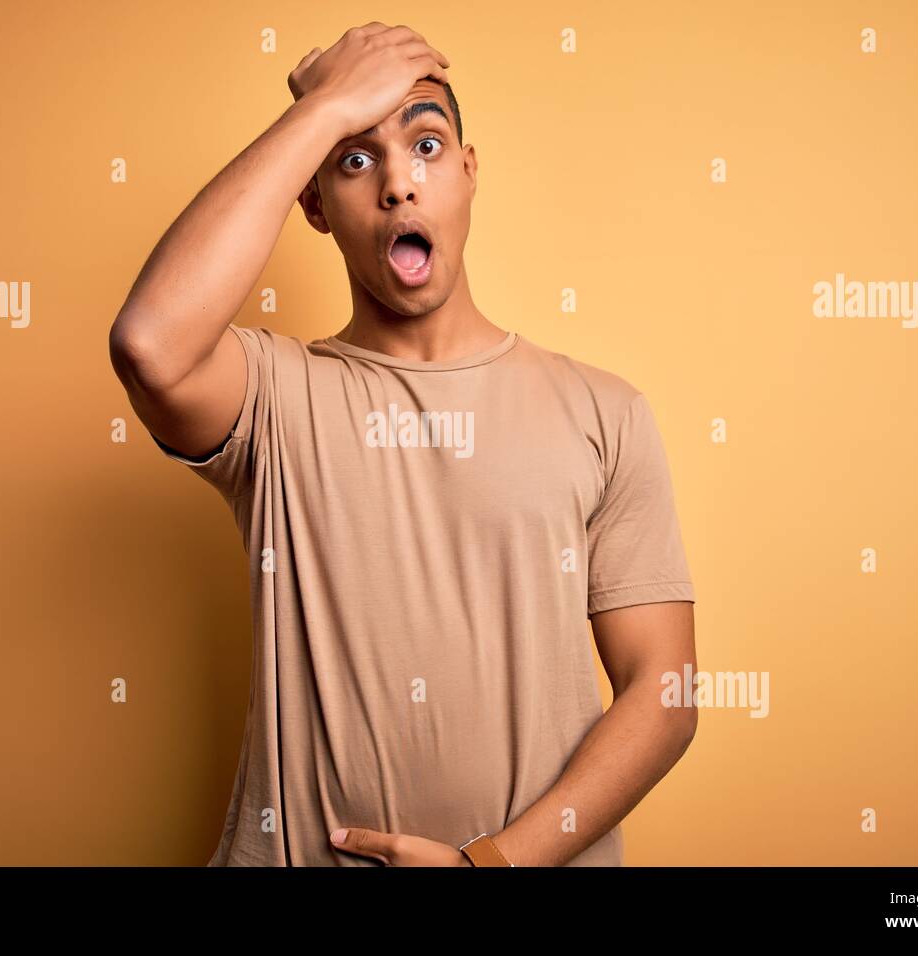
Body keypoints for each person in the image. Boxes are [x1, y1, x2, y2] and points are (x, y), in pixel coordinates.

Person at [108, 22, 698, 866]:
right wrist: (322, 112)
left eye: (426, 144)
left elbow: (665, 694)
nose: (397, 185)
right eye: (354, 160)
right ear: (311, 204)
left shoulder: (606, 412)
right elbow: (149, 346)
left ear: (467, 171)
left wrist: (489, 864)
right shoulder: (276, 398)